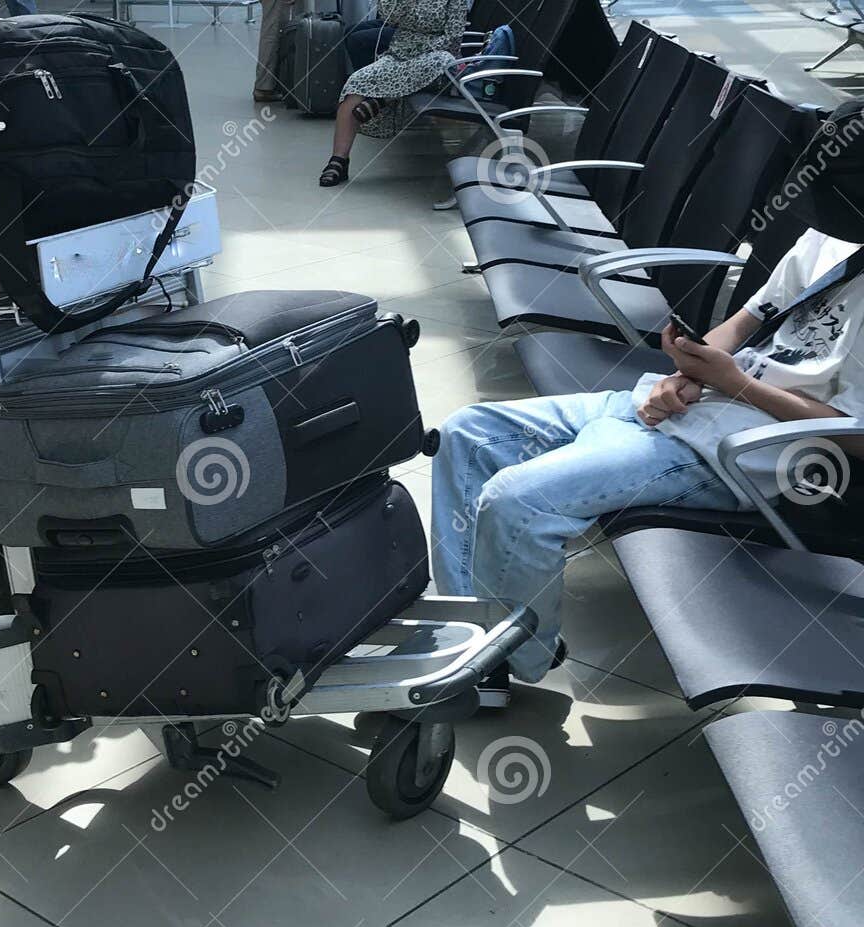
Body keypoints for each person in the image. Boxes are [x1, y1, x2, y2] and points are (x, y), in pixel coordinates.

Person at [433, 227, 864, 707]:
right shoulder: (828, 240)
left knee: (519, 500)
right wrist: (686, 369)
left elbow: (856, 435)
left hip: (737, 454)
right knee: (468, 433)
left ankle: (506, 658)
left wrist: (733, 383)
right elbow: (743, 326)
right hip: (680, 406)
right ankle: (469, 631)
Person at [319, 0, 468, 187]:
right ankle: (339, 159)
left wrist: (419, 48)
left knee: (443, 61)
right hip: (399, 55)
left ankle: (384, 98)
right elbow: (390, 17)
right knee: (356, 82)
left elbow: (453, 40)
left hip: (433, 56)